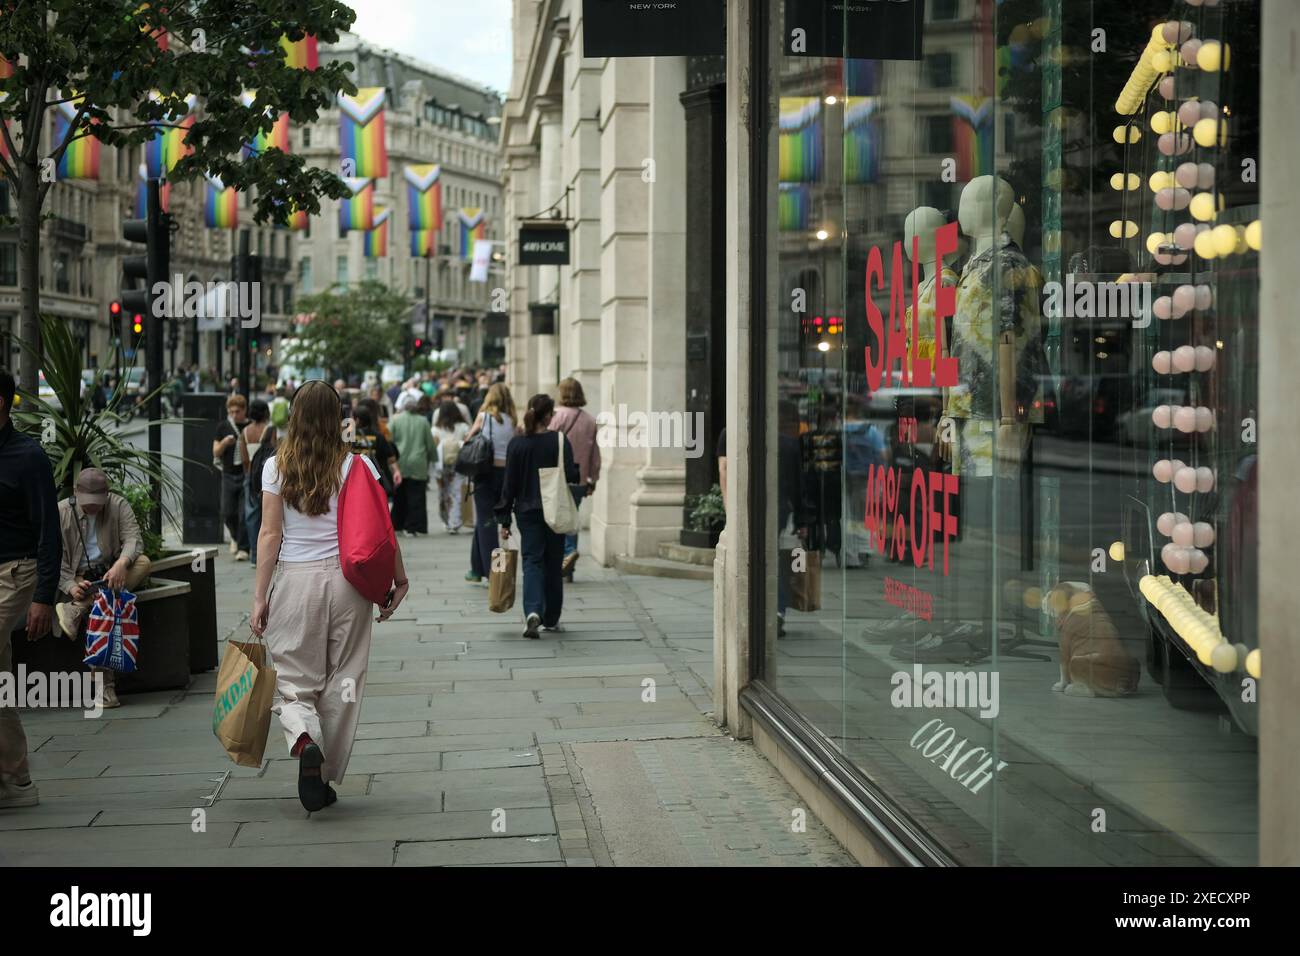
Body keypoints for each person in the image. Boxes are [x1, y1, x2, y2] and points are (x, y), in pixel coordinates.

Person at [251, 380, 410, 812]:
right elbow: (381, 531)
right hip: (348, 585)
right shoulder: (358, 465)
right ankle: (321, 778)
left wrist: (260, 596)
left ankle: (303, 739)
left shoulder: (274, 467)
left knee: (292, 681)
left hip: (295, 581)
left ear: (294, 416)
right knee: (343, 680)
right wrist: (399, 579)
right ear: (337, 418)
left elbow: (270, 534)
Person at [0, 367, 61, 809]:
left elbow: (48, 531)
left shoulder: (28, 456)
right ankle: (17, 781)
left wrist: (43, 595)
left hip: (15, 573)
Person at [53, 468, 150, 709]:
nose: (92, 507)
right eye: (86, 502)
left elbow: (133, 540)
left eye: (97, 502)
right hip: (77, 577)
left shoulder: (119, 505)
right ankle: (104, 688)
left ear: (107, 494)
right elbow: (52, 557)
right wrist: (70, 584)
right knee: (104, 606)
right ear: (76, 493)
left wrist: (121, 564)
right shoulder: (62, 511)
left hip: (110, 575)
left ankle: (76, 609)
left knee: (142, 563)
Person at [497, 393, 579, 638]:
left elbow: (508, 484)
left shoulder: (517, 444)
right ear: (547, 416)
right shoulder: (559, 441)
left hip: (525, 510)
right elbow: (571, 474)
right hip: (553, 509)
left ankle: (532, 610)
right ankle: (551, 618)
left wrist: (504, 519)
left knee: (532, 561)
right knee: (553, 563)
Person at [548, 378, 601, 582]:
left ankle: (567, 553)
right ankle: (568, 567)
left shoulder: (557, 417)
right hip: (579, 479)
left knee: (558, 520)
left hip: (558, 477)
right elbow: (595, 454)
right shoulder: (589, 420)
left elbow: (548, 444)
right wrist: (593, 479)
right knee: (572, 519)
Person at [464, 383, 517, 584]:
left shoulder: (484, 418)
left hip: (485, 473)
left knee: (486, 522)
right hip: (506, 474)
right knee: (487, 520)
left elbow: (468, 439)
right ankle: (476, 569)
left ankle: (493, 572)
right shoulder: (512, 421)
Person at [388, 392, 437, 537]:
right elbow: (429, 443)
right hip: (418, 462)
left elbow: (389, 440)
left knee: (399, 496)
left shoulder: (395, 420)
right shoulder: (423, 421)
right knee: (417, 497)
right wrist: (434, 458)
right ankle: (415, 526)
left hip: (400, 462)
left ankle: (398, 524)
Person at [239, 400, 276, 568]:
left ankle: (255, 554)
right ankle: (268, 554)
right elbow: (275, 452)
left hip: (250, 476)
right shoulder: (270, 430)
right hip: (267, 475)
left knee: (251, 515)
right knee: (268, 516)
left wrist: (249, 474)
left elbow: (244, 458)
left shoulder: (244, 432)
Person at [213, 394, 250, 561]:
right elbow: (215, 452)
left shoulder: (250, 426)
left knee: (243, 513)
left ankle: (243, 547)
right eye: (231, 411)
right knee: (227, 512)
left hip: (245, 474)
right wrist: (224, 443)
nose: (234, 415)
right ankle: (235, 537)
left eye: (238, 411)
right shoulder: (223, 427)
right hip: (228, 474)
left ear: (244, 411)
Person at [351, 403, 402, 503]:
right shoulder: (379, 436)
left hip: (355, 480)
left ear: (357, 420)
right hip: (375, 480)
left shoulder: (349, 437)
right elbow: (391, 458)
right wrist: (396, 472)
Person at [432, 399, 470, 534]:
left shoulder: (436, 429)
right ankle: (455, 521)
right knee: (457, 493)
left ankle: (446, 521)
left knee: (443, 493)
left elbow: (434, 446)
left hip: (441, 465)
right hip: (458, 463)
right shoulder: (464, 427)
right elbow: (468, 443)